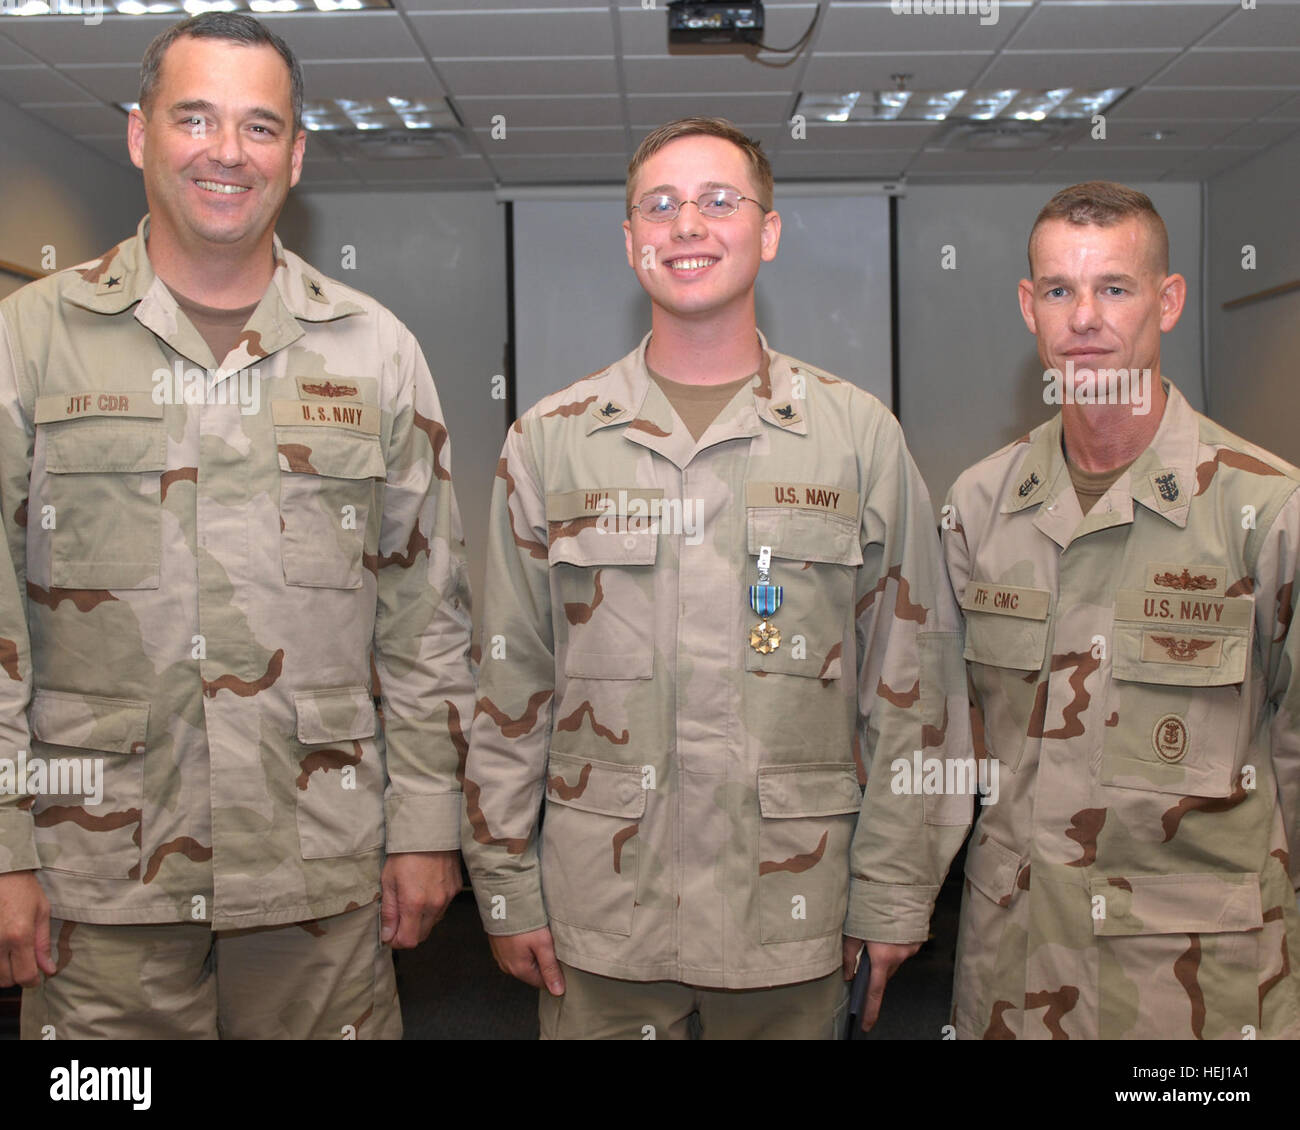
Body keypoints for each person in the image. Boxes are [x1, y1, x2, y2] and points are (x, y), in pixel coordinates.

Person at [0, 13, 475, 1039]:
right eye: (195, 118)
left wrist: (429, 824)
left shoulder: (374, 351)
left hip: (320, 864)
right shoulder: (32, 340)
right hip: (97, 872)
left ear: (295, 156)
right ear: (139, 135)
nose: (227, 151)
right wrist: (3, 846)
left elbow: (426, 613)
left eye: (260, 127)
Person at [461, 117, 971, 1039]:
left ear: (768, 232)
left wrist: (894, 896)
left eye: (718, 201)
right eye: (660, 205)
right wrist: (502, 883)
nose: (687, 224)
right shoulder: (550, 440)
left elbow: (913, 686)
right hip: (601, 915)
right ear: (630, 242)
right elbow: (510, 680)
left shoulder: (859, 439)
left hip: (790, 907)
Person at [943, 181, 1300, 1039]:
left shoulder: (1264, 508)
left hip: (1193, 995)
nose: (1085, 318)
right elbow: (951, 744)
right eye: (1060, 291)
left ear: (1168, 301)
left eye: (1115, 287)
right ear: (1030, 309)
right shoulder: (982, 503)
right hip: (1013, 974)